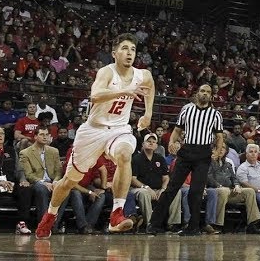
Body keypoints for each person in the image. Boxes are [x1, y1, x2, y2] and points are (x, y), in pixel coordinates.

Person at [34, 33, 154, 238]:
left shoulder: (143, 75)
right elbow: (95, 96)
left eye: (133, 50)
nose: (129, 53)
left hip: (119, 129)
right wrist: (124, 91)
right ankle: (50, 215)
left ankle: (117, 213)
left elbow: (150, 87)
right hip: (93, 131)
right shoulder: (106, 72)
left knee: (125, 155)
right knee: (70, 181)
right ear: (114, 53)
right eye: (125, 48)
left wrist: (148, 113)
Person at [148, 82, 224, 236]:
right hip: (186, 151)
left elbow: (219, 136)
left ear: (211, 96)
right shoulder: (187, 109)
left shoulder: (215, 114)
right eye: (202, 91)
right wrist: (171, 142)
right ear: (197, 93)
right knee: (171, 189)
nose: (204, 94)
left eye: (208, 92)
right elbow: (177, 130)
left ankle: (193, 227)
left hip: (203, 154)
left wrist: (216, 151)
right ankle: (154, 224)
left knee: (195, 192)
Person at [0, 126, 34, 234]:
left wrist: (22, 179)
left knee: (25, 188)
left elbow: (19, 170)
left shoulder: (11, 151)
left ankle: (22, 222)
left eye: (1, 133)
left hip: (10, 183)